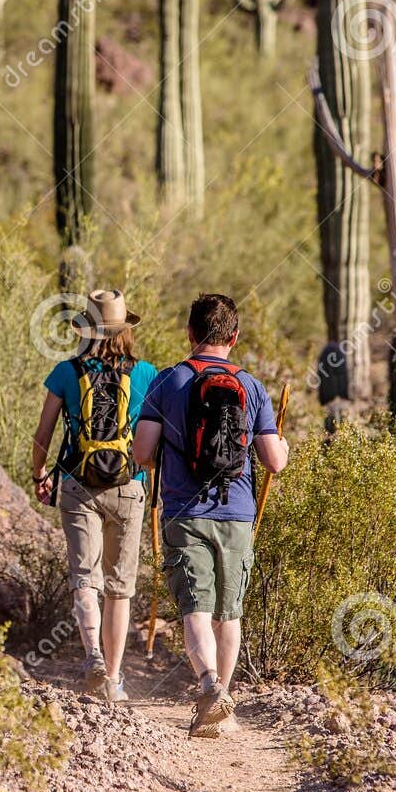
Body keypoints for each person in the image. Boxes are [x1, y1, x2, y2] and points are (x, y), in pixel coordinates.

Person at [133, 293, 288, 737]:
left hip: (183, 510)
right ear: (234, 337)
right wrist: (285, 449)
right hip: (238, 513)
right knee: (229, 613)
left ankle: (208, 687)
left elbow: (143, 454)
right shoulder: (253, 387)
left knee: (195, 610)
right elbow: (274, 461)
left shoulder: (167, 381)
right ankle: (222, 704)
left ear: (190, 333)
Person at [30, 290, 159, 703]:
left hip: (77, 484)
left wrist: (38, 473)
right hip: (129, 485)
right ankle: (115, 680)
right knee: (120, 587)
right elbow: (155, 435)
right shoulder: (146, 374)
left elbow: (43, 433)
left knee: (85, 577)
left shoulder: (66, 373)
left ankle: (93, 658)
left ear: (85, 331)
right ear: (125, 331)